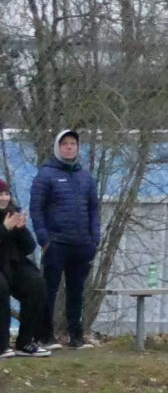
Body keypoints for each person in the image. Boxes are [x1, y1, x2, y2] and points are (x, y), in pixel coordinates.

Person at [29, 128, 99, 349]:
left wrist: (94, 239)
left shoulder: (85, 176)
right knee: (48, 291)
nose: (69, 147)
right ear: (58, 147)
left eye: (73, 144)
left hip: (82, 244)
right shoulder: (46, 175)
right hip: (56, 244)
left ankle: (76, 337)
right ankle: (45, 336)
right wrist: (44, 239)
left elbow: (94, 209)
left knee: (76, 292)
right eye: (65, 143)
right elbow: (36, 209)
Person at [0, 179, 47, 355]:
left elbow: (28, 248)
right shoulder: (6, 221)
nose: (4, 198)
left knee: (36, 285)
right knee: (1, 289)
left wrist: (21, 229)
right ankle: (2, 344)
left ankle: (26, 342)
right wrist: (5, 228)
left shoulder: (12, 214)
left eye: (6, 194)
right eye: (0, 194)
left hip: (13, 263)